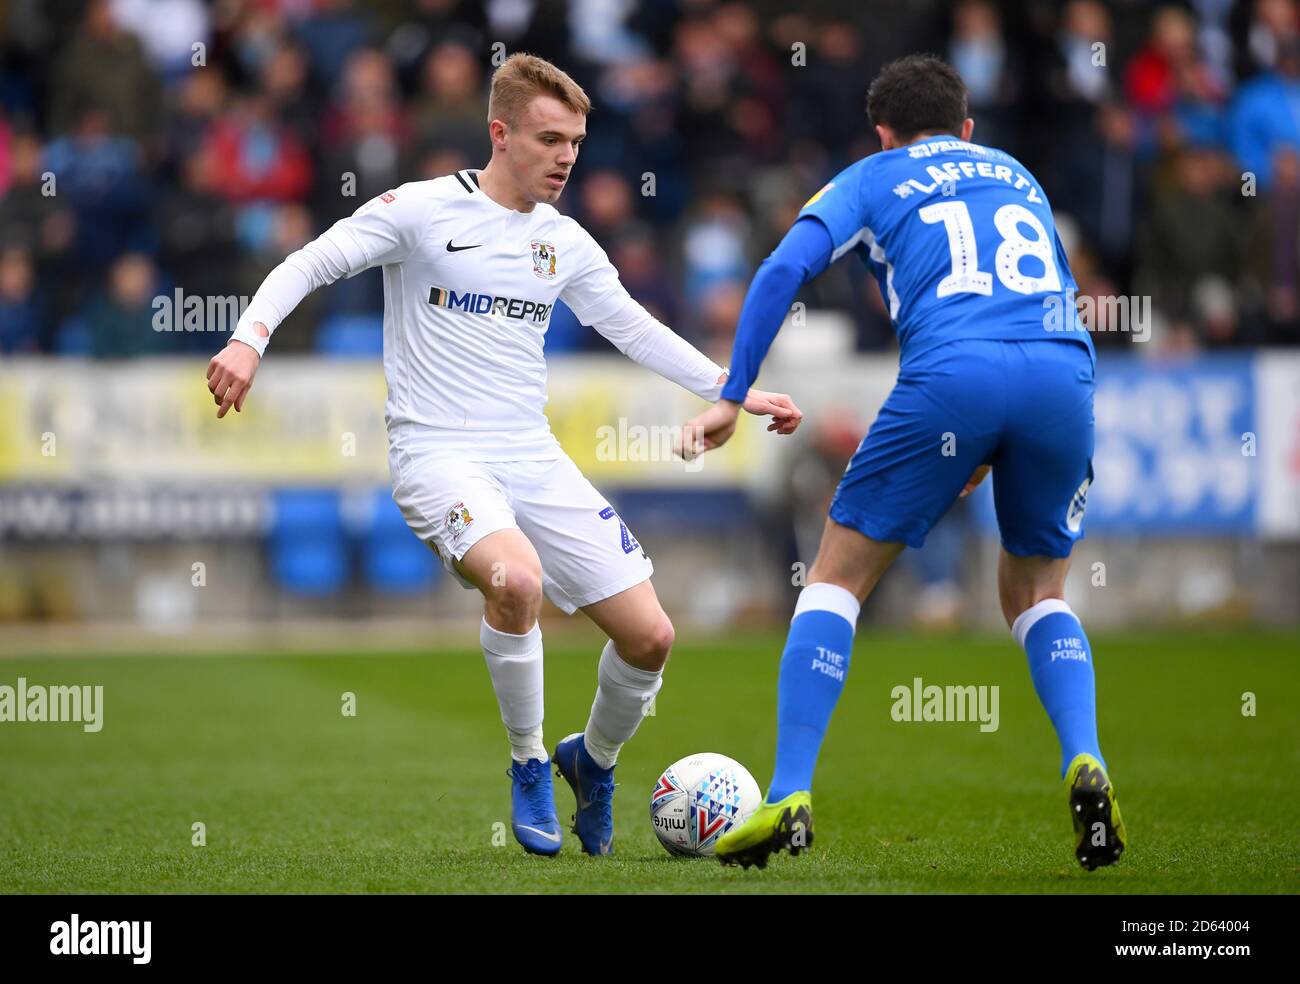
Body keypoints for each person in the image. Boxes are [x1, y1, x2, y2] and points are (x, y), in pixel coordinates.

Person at [205, 53, 802, 857]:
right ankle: (528, 763)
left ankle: (592, 762)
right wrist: (248, 339)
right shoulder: (419, 211)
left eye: (577, 143)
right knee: (517, 581)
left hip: (531, 454)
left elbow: (630, 326)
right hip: (437, 453)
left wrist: (735, 389)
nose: (566, 157)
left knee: (651, 637)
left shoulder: (563, 241)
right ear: (501, 133)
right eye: (550, 139)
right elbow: (311, 260)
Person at [686, 54, 1125, 871]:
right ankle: (1084, 753)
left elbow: (784, 268)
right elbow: (1052, 293)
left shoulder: (872, 176)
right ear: (966, 127)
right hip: (1062, 374)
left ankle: (788, 793)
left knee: (835, 578)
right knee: (1036, 592)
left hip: (955, 373)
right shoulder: (1014, 170)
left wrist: (731, 390)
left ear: (883, 134)